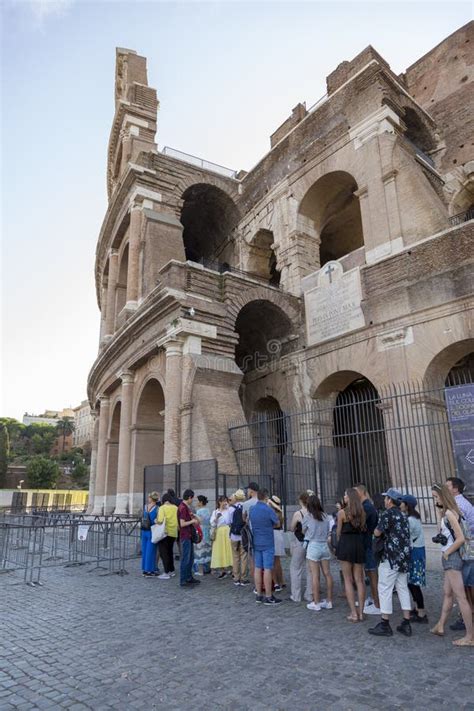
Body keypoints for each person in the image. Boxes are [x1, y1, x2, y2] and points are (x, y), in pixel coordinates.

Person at [430, 483, 473, 646]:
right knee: (447, 593)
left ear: (443, 496)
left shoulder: (449, 513)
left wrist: (447, 553)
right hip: (450, 557)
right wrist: (438, 511)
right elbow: (440, 532)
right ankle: (440, 625)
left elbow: (460, 538)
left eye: (435, 497)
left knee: (461, 598)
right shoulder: (447, 513)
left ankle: (470, 636)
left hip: (452, 557)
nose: (434, 500)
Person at [368, 488, 412, 638]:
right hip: (403, 557)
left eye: (386, 498)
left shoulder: (387, 514)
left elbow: (377, 532)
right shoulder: (403, 515)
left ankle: (385, 623)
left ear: (390, 500)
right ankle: (406, 622)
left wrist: (375, 531)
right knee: (402, 588)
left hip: (390, 556)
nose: (385, 500)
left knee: (385, 588)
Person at [445, 477, 474, 632]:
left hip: (465, 549)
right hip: (468, 547)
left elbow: (460, 531)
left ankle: (466, 618)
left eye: (447, 486)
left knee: (464, 587)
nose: (445, 488)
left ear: (455, 488)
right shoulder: (462, 503)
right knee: (468, 585)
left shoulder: (458, 505)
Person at [336, 488, 366, 622]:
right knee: (359, 580)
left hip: (346, 544)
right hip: (358, 544)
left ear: (349, 497)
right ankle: (361, 613)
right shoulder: (362, 513)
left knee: (348, 579)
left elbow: (338, 532)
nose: (344, 497)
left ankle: (353, 613)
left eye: (345, 495)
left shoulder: (342, 513)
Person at [249, 488, 282, 605]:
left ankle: (259, 594)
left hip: (256, 541)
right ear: (266, 497)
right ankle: (268, 595)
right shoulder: (268, 510)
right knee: (267, 568)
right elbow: (277, 522)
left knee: (258, 568)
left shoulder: (252, 509)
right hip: (267, 541)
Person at [303, 495, 333, 612]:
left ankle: (316, 602)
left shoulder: (308, 516)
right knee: (327, 574)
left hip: (313, 545)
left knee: (315, 575)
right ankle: (329, 600)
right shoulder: (326, 516)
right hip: (324, 545)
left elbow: (303, 530)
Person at [400, 494, 427, 623]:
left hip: (414, 552)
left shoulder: (410, 520)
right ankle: (417, 608)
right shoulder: (414, 517)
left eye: (402, 502)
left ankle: (421, 612)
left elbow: (405, 536)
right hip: (418, 550)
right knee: (412, 583)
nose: (400, 504)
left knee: (413, 584)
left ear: (407, 505)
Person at [355, 484, 380, 615]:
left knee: (372, 575)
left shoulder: (366, 507)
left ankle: (377, 604)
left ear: (361, 492)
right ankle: (373, 600)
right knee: (370, 574)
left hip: (368, 544)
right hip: (369, 544)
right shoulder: (368, 506)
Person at [289, 491, 313, 603]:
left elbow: (292, 528)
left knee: (295, 568)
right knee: (310, 570)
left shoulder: (298, 513)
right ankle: (310, 594)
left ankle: (296, 595)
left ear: (300, 501)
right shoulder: (313, 512)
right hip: (311, 543)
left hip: (300, 542)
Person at [178, 489, 201, 587]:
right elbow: (182, 524)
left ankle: (189, 577)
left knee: (190, 558)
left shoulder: (186, 507)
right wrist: (192, 522)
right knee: (186, 559)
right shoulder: (183, 507)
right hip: (185, 536)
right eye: (192, 498)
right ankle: (183, 580)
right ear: (189, 497)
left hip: (189, 535)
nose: (193, 500)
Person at [228, 489, 249, 586]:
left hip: (234, 535)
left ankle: (236, 578)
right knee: (243, 556)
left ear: (235, 498)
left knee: (235, 557)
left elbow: (228, 522)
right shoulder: (246, 506)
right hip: (243, 535)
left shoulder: (231, 508)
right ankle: (243, 578)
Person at [155, 492, 178, 579]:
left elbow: (160, 521)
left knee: (163, 553)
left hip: (164, 533)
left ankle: (166, 572)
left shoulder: (162, 508)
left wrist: (155, 521)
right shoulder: (176, 508)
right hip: (173, 533)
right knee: (170, 552)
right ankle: (172, 570)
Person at [210, 496, 233, 578]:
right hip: (219, 532)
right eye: (223, 501)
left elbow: (230, 521)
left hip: (227, 530)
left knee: (229, 549)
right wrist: (217, 518)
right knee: (220, 550)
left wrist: (228, 507)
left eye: (226, 501)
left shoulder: (229, 510)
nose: (224, 502)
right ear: (219, 502)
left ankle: (232, 569)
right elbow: (212, 523)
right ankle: (223, 570)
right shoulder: (215, 512)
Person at [268, 495, 286, 592]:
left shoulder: (272, 512)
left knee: (272, 561)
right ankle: (281, 581)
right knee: (277, 562)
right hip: (279, 534)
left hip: (273, 534)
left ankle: (275, 583)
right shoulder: (280, 512)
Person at [141, 492, 160, 577]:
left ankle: (145, 569)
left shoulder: (145, 507)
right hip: (152, 530)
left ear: (151, 498)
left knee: (145, 550)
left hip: (144, 530)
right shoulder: (157, 508)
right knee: (151, 551)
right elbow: (157, 520)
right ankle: (149, 570)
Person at [193, 495, 212, 575]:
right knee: (207, 550)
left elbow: (197, 523)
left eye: (197, 501)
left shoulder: (199, 512)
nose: (196, 503)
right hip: (207, 532)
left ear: (200, 502)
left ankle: (200, 571)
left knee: (199, 551)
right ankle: (208, 569)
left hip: (200, 532)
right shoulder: (208, 510)